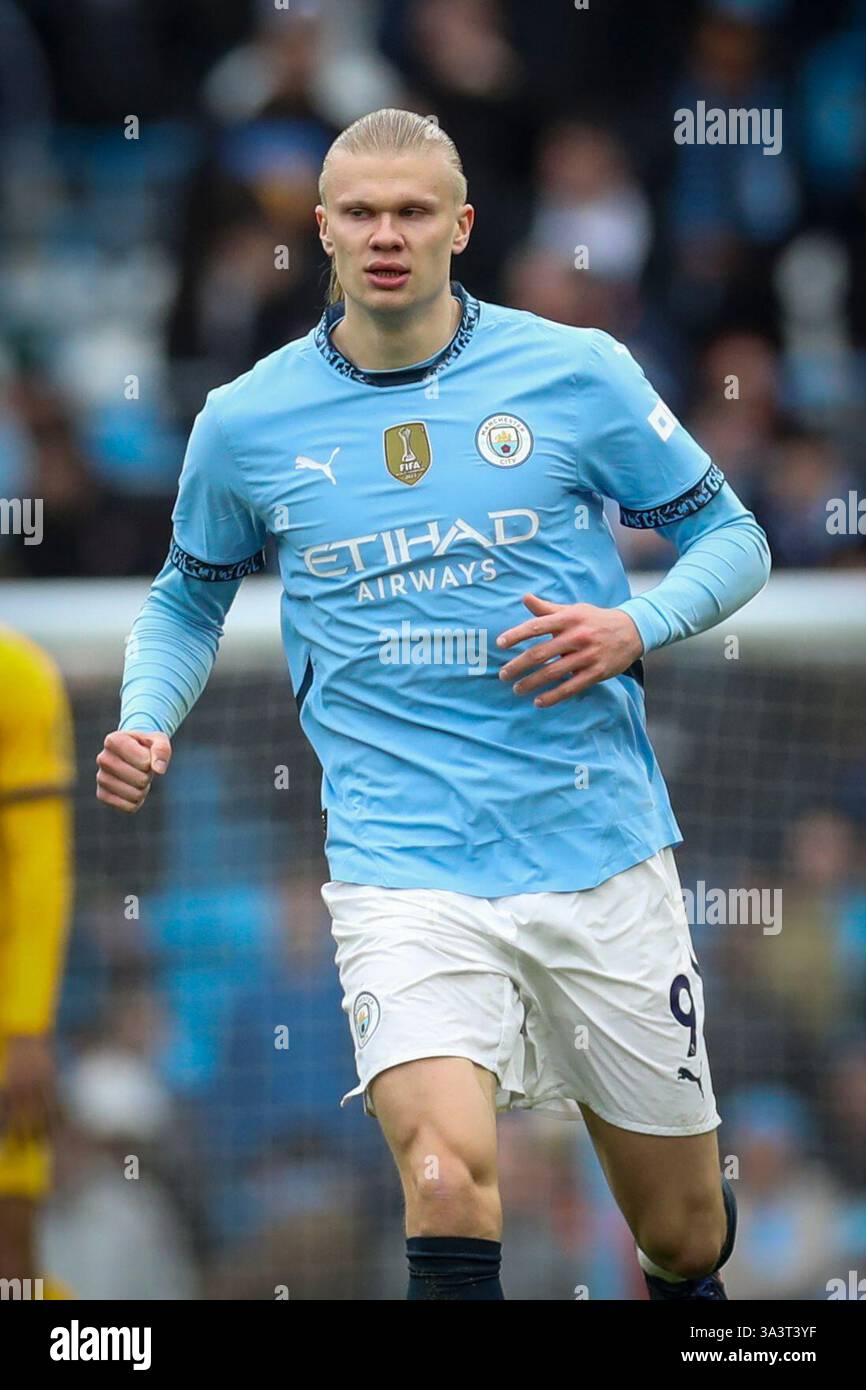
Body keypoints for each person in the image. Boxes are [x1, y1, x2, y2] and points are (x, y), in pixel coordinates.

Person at [98, 108, 770, 1301]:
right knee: (447, 1177)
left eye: (413, 211)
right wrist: (150, 711)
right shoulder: (247, 420)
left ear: (459, 226)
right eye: (360, 212)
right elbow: (185, 598)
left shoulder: (575, 371)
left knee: (678, 1237)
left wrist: (634, 626)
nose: (386, 234)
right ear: (321, 232)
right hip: (400, 865)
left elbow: (728, 534)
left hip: (594, 849)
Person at [0, 625, 75, 1299]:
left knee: (9, 1260)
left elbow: (38, 870)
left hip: (1, 1020)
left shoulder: (15, 675)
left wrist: (26, 1029)